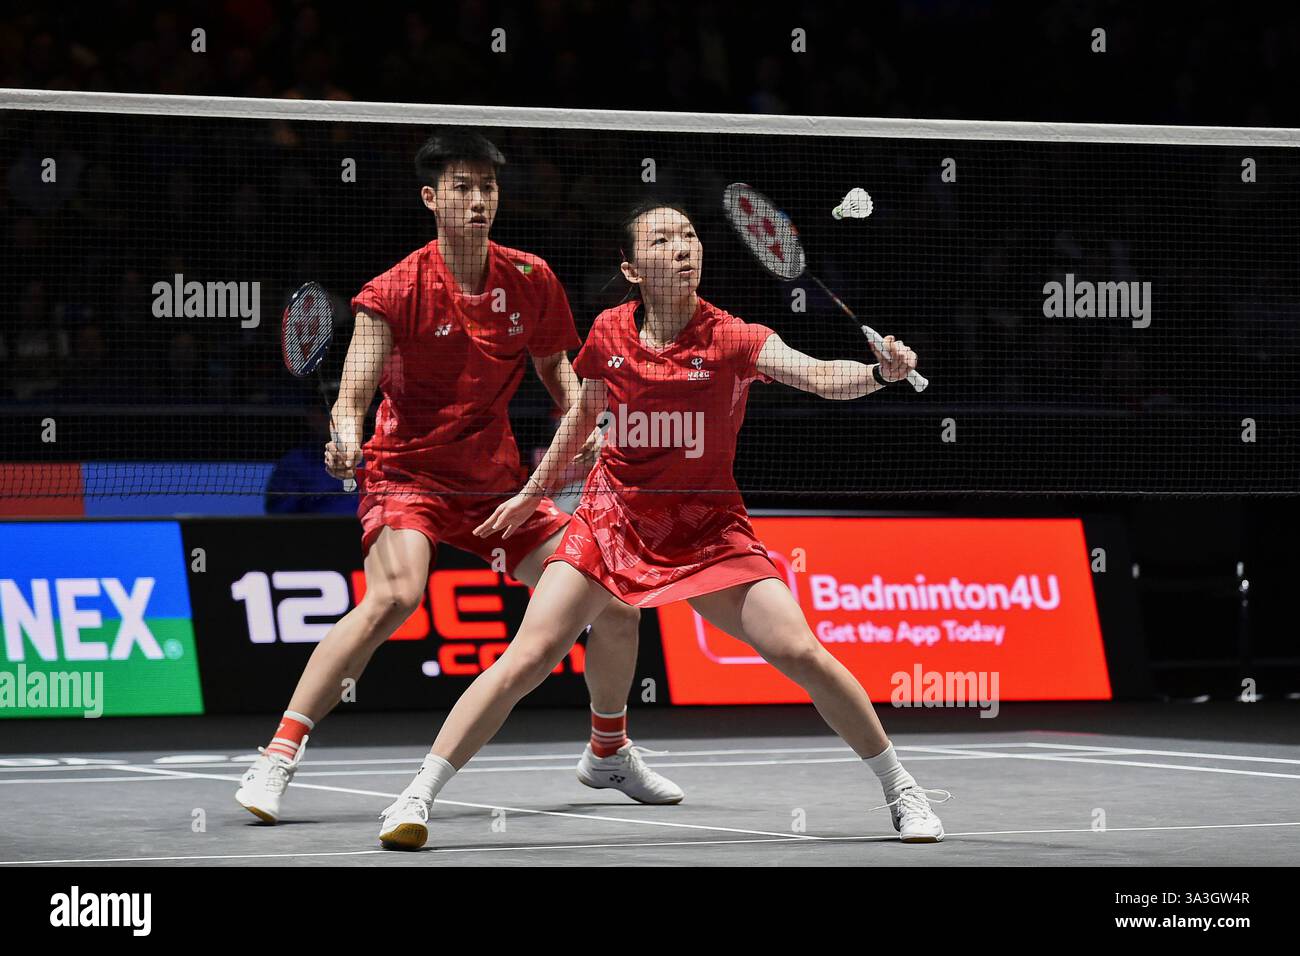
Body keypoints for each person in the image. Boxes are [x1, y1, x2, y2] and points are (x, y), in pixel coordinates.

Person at [377, 200, 949, 850]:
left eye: (689, 236)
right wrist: (533, 493)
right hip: (610, 522)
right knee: (528, 657)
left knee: (799, 651)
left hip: (707, 533)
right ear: (632, 267)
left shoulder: (733, 338)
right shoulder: (609, 333)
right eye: (662, 239)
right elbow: (582, 419)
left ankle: (903, 790)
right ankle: (416, 795)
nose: (682, 247)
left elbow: (819, 376)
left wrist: (878, 373)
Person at [235, 134, 683, 824]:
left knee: (616, 602)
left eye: (488, 188)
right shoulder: (394, 291)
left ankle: (608, 751)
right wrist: (345, 434)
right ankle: (278, 756)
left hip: (496, 486)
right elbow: (353, 395)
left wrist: (583, 421)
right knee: (395, 596)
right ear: (431, 198)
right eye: (463, 188)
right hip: (407, 477)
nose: (478, 201)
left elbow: (557, 368)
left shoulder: (530, 280)